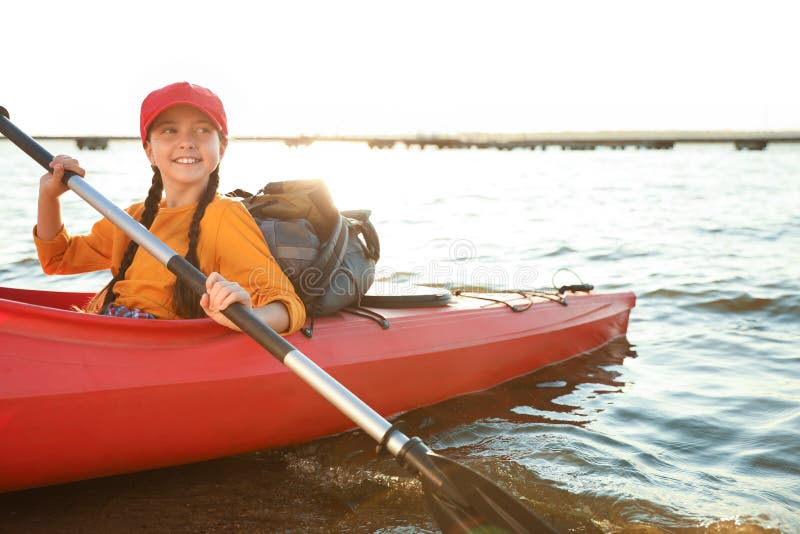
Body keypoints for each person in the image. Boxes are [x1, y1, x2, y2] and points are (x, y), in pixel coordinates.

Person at [33, 81, 306, 334]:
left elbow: (287, 306)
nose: (186, 141)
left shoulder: (224, 215)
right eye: (169, 130)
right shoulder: (133, 218)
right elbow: (58, 259)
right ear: (149, 150)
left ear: (221, 148)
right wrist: (49, 197)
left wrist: (247, 316)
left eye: (202, 130)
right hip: (106, 328)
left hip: (149, 344)